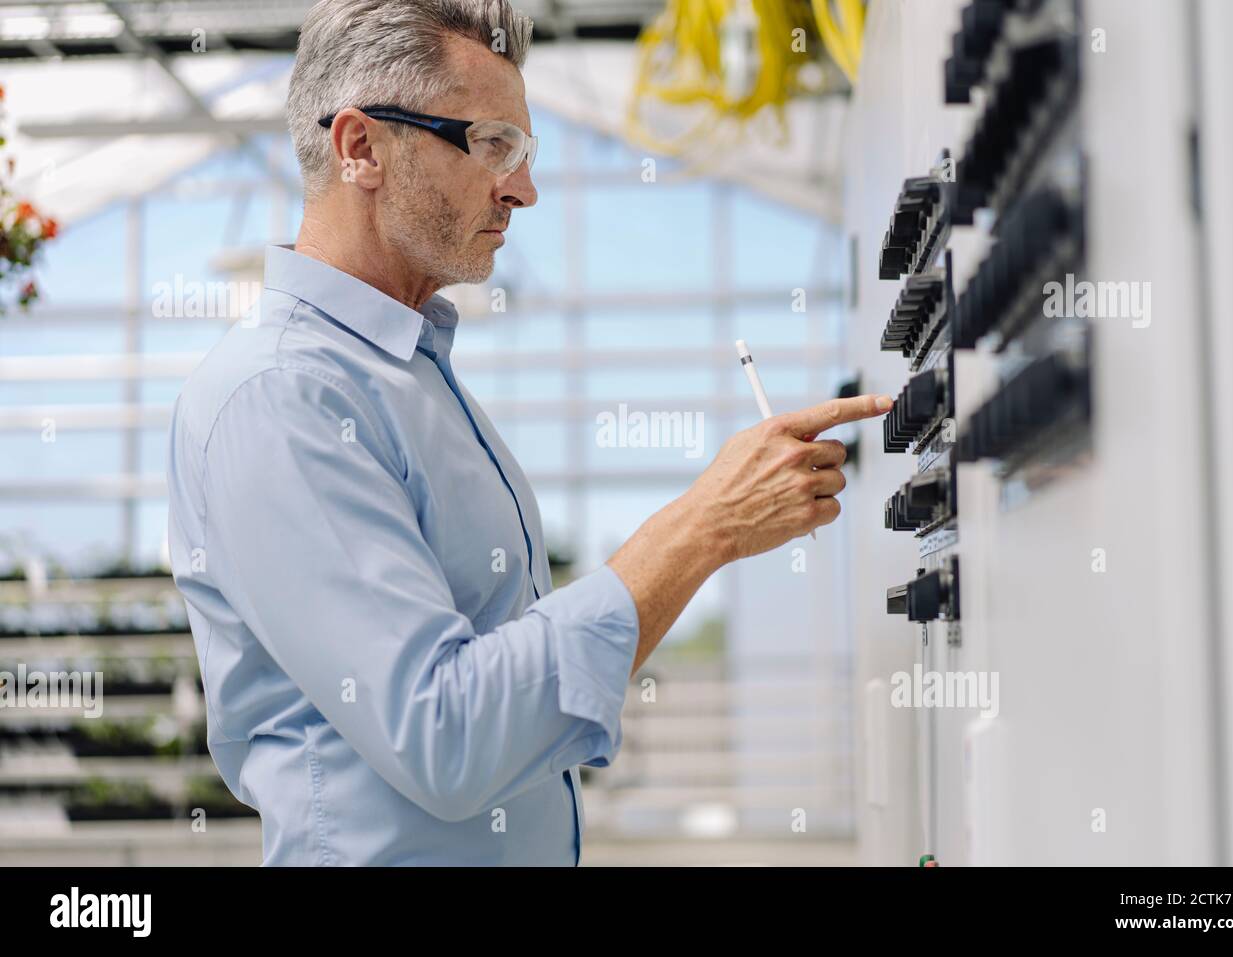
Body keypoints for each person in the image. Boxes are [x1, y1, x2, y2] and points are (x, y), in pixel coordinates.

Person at [166, 0, 892, 865]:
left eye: (524, 152)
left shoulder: (411, 373)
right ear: (360, 147)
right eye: (491, 145)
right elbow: (445, 735)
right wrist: (704, 528)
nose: (523, 188)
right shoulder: (281, 396)